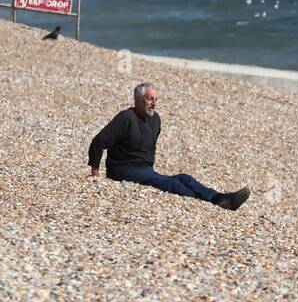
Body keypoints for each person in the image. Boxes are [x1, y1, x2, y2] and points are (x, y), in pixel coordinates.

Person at [88, 82, 251, 210]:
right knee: (173, 184)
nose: (154, 103)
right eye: (150, 99)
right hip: (124, 170)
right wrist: (95, 175)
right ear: (137, 100)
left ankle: (219, 198)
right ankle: (207, 203)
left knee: (184, 178)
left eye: (156, 99)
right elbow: (99, 141)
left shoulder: (155, 120)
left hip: (146, 170)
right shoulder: (126, 118)